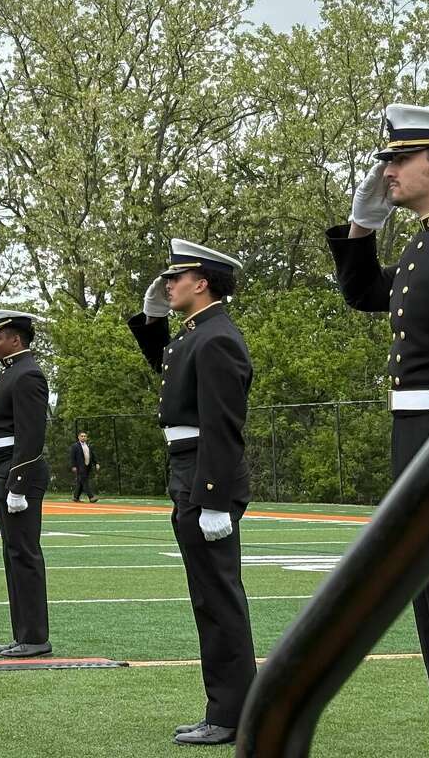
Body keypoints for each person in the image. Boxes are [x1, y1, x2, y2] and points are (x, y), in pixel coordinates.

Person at [328, 103, 429, 755]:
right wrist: (360, 228)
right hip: (421, 447)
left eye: (400, 158)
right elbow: (365, 294)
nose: (387, 170)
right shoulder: (427, 242)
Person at [129, 240, 256, 747]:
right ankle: (225, 708)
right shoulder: (196, 335)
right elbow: (169, 366)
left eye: (174, 278)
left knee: (219, 598)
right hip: (189, 470)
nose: (166, 285)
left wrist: (213, 498)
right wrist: (149, 317)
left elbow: (223, 425)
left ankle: (233, 713)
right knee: (209, 597)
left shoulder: (217, 338)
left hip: (205, 474)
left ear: (201, 281)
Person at [0, 309, 51, 659]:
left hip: (19, 471)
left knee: (24, 553)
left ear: (15, 338)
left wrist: (18, 483)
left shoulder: (28, 375)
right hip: (5, 467)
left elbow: (31, 436)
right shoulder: (11, 373)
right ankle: (23, 634)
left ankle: (34, 637)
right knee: (12, 553)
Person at [69, 432, 100, 502]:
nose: (83, 437)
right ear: (79, 437)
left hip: (88, 466)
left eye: (85, 436)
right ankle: (91, 497)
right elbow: (72, 457)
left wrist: (96, 463)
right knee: (84, 481)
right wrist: (73, 466)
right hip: (80, 467)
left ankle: (75, 497)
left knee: (81, 482)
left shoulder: (88, 445)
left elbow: (93, 455)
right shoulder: (75, 446)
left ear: (86, 437)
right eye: (82, 436)